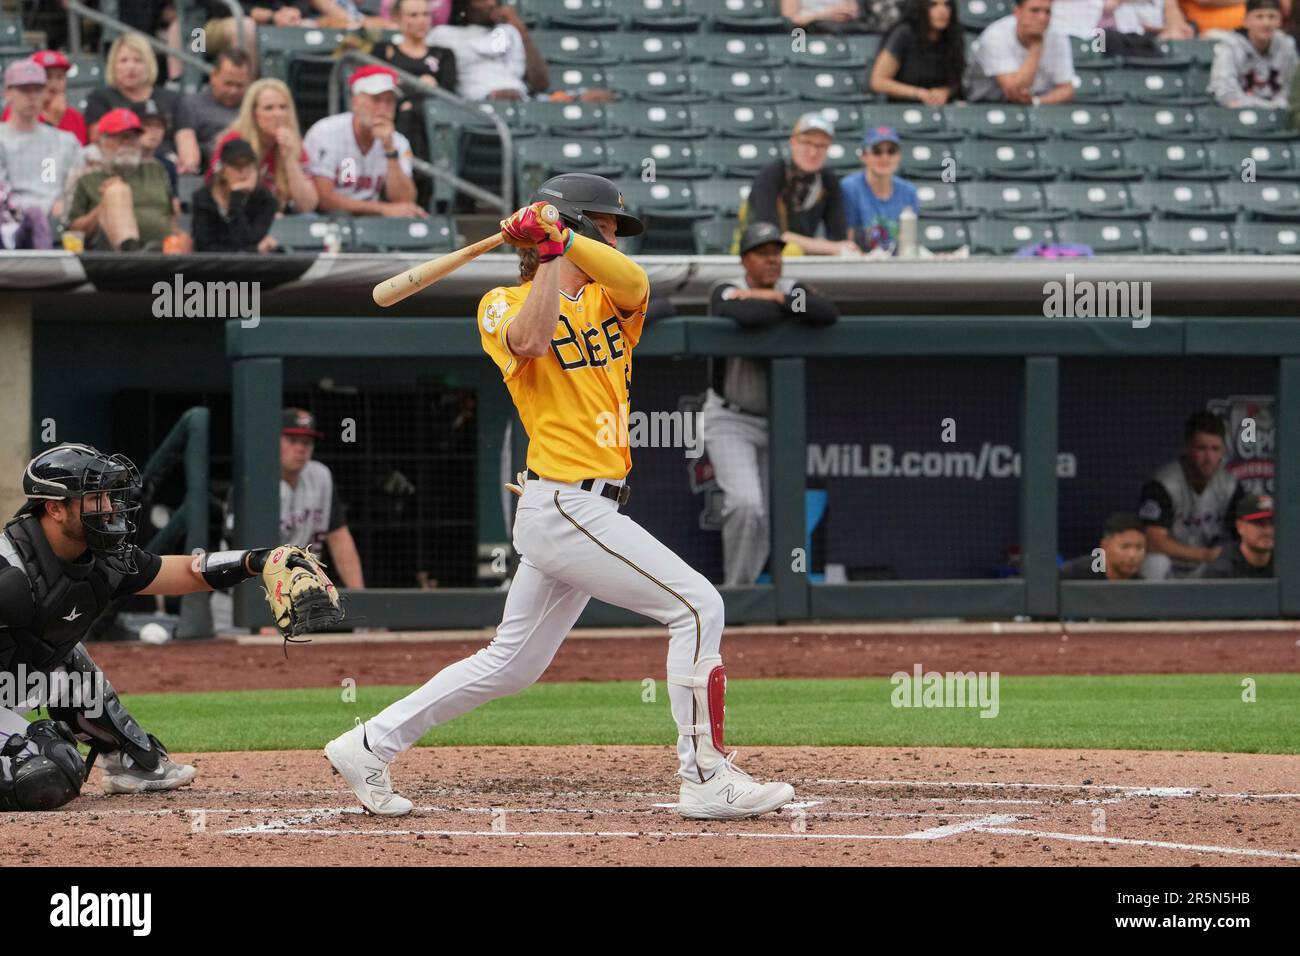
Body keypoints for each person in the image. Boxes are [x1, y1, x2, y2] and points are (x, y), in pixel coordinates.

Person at [325, 174, 795, 821]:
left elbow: (636, 280)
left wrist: (561, 232)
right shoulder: (497, 303)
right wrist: (550, 252)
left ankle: (369, 743)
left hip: (589, 506)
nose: (610, 236)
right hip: (565, 503)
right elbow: (530, 341)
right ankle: (705, 775)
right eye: (600, 224)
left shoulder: (611, 300)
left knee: (511, 664)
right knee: (697, 607)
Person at [0, 444, 316, 810]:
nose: (108, 508)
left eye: (108, 496)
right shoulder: (9, 572)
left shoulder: (103, 559)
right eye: (94, 498)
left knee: (67, 660)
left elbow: (185, 571)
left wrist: (255, 561)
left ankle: (128, 760)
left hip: (13, 685)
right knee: (47, 773)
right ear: (54, 508)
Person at [700, 222, 839, 587]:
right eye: (763, 253)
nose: (772, 260)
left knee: (774, 512)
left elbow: (826, 312)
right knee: (746, 505)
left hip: (780, 423)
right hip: (731, 418)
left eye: (776, 253)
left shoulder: (789, 289)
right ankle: (739, 595)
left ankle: (750, 596)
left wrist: (778, 299)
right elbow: (747, 317)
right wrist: (788, 308)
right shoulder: (725, 287)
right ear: (745, 259)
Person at [211, 409, 364, 634]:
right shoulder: (253, 481)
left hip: (299, 602)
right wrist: (262, 619)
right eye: (292, 440)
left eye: (307, 441)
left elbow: (339, 537)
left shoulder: (320, 477)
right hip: (239, 603)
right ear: (273, 442)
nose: (301, 448)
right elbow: (245, 554)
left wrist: (363, 606)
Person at [1137, 411, 1243, 580]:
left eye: (1215, 449)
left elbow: (1244, 534)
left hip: (1207, 567)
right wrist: (1204, 554)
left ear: (1223, 451)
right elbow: (1153, 541)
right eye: (1202, 448)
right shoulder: (1163, 484)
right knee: (1154, 563)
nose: (1209, 457)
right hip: (1171, 565)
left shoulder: (1229, 485)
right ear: (1187, 448)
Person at [305, 65, 423, 217]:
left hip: (369, 220)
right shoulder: (325, 132)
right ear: (355, 102)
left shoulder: (398, 142)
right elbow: (323, 199)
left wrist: (390, 150)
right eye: (376, 100)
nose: (383, 108)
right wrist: (381, 208)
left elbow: (405, 201)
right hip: (324, 218)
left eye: (389, 101)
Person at [740, 113, 857, 257]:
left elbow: (839, 238)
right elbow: (768, 234)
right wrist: (825, 246)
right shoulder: (771, 174)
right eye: (806, 143)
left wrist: (836, 248)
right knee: (792, 251)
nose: (813, 152)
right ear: (793, 142)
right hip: (757, 253)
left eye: (821, 146)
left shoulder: (828, 180)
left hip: (804, 257)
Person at [378, 0, 458, 206]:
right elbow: (379, 89)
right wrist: (418, 88)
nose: (421, 20)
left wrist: (408, 99)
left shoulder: (444, 54)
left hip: (429, 127)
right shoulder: (384, 50)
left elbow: (448, 94)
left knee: (421, 113)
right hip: (395, 122)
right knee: (405, 113)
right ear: (397, 18)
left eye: (425, 14)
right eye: (413, 15)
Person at [66, 108, 180, 253]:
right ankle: (132, 253)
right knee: (116, 191)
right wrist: (104, 206)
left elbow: (170, 217)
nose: (127, 143)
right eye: (120, 137)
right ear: (102, 141)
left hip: (162, 251)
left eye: (133, 137)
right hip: (108, 255)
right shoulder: (86, 174)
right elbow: (73, 229)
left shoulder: (156, 169)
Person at [84, 32, 199, 173]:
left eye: (138, 60)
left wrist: (188, 163)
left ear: (149, 64)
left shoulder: (172, 99)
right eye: (123, 60)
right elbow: (98, 141)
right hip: (120, 168)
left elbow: (187, 140)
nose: (131, 67)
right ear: (113, 65)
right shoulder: (99, 98)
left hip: (168, 168)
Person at [0, 61, 81, 248]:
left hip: (58, 220)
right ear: (8, 92)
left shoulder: (63, 140)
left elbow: (77, 180)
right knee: (35, 215)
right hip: (12, 225)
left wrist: (65, 203)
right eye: (24, 90)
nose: (31, 97)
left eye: (37, 90)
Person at [211, 78, 318, 213]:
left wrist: (291, 161)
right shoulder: (233, 143)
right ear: (253, 114)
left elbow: (307, 206)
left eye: (283, 107)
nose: (278, 114)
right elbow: (223, 198)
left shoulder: (293, 144)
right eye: (269, 108)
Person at [427, 0, 549, 101]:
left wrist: (521, 29)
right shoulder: (443, 34)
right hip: (476, 106)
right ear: (464, 5)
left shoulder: (508, 31)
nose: (491, 3)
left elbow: (541, 84)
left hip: (521, 102)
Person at [965, 0, 1077, 104]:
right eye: (1035, 10)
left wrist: (1036, 101)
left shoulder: (1057, 35)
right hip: (987, 104)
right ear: (1017, 12)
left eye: (1048, 12)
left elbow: (1067, 90)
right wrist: (1036, 47)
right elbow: (1015, 91)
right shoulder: (996, 34)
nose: (1043, 18)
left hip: (1034, 103)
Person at [191, 137, 280, 252]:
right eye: (236, 166)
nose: (243, 172)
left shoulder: (265, 201)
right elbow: (204, 247)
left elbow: (249, 239)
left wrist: (236, 198)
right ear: (223, 170)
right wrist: (254, 250)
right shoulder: (203, 198)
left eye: (248, 166)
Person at [841, 126, 921, 254]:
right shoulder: (849, 188)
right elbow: (847, 242)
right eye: (877, 151)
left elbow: (909, 245)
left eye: (891, 151)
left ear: (899, 156)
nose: (885, 157)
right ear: (864, 156)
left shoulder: (909, 192)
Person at [868, 0, 966, 104]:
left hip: (941, 108)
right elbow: (877, 81)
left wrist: (945, 92)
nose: (942, 11)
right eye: (933, 5)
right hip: (903, 107)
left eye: (947, 5)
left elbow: (957, 79)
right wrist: (919, 94)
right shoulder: (904, 34)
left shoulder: (954, 36)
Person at [1209, 0, 1298, 107]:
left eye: (1272, 16)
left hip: (1280, 113)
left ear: (1280, 21)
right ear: (1246, 21)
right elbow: (1224, 91)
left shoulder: (1287, 44)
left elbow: (1294, 87)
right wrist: (1265, 107)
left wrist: (1277, 106)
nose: (1266, 23)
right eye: (1259, 17)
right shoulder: (1230, 46)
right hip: (1242, 115)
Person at [177, 49, 254, 171]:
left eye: (239, 85)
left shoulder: (255, 107)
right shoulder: (191, 105)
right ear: (213, 76)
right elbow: (189, 148)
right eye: (228, 84)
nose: (233, 91)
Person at [0, 51, 88, 145]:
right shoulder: (19, 111)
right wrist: (51, 123)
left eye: (60, 77)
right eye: (47, 76)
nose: (54, 84)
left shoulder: (76, 117)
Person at [1059, 512, 1148, 579]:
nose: (1132, 555)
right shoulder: (1073, 575)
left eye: (1139, 548)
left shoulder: (1142, 586)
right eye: (1125, 547)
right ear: (1104, 546)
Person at [1203, 494, 1274, 578]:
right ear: (1240, 526)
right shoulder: (1221, 571)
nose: (1268, 530)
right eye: (1259, 523)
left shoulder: (1288, 563)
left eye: (1273, 522)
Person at [780, 0, 874, 32]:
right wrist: (826, 14)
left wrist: (847, 12)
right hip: (807, 33)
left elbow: (854, 9)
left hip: (842, 30)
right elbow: (790, 19)